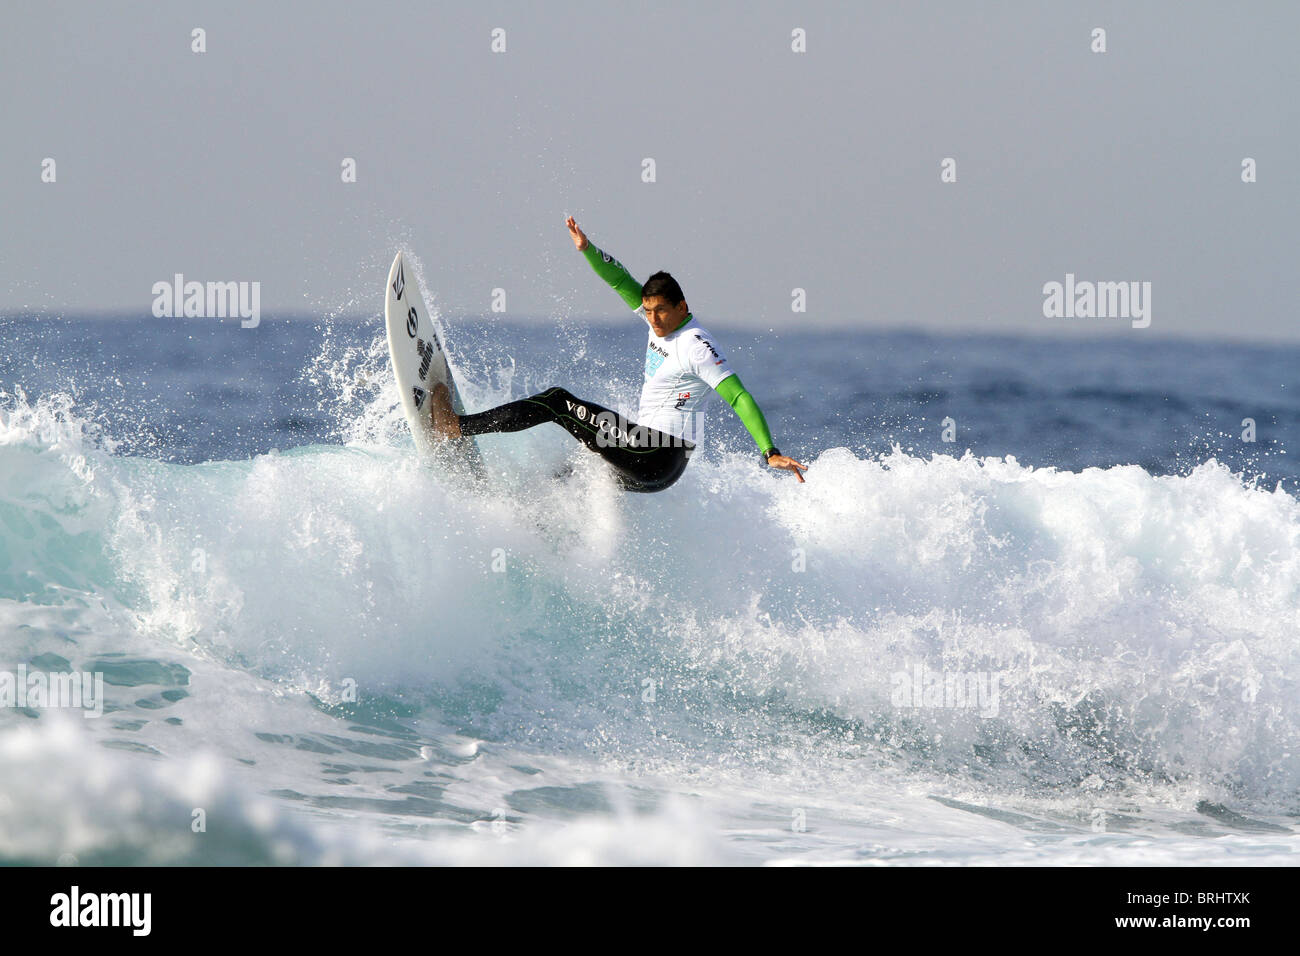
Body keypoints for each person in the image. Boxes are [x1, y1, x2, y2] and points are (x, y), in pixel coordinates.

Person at [427, 217, 806, 492]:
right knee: (573, 477)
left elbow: (738, 396)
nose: (653, 319)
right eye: (648, 311)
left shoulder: (695, 345)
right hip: (658, 470)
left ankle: (454, 427)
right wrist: (589, 251)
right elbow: (620, 280)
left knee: (557, 402)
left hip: (656, 453)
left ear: (681, 306)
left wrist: (770, 451)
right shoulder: (659, 321)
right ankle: (522, 517)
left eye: (661, 311)